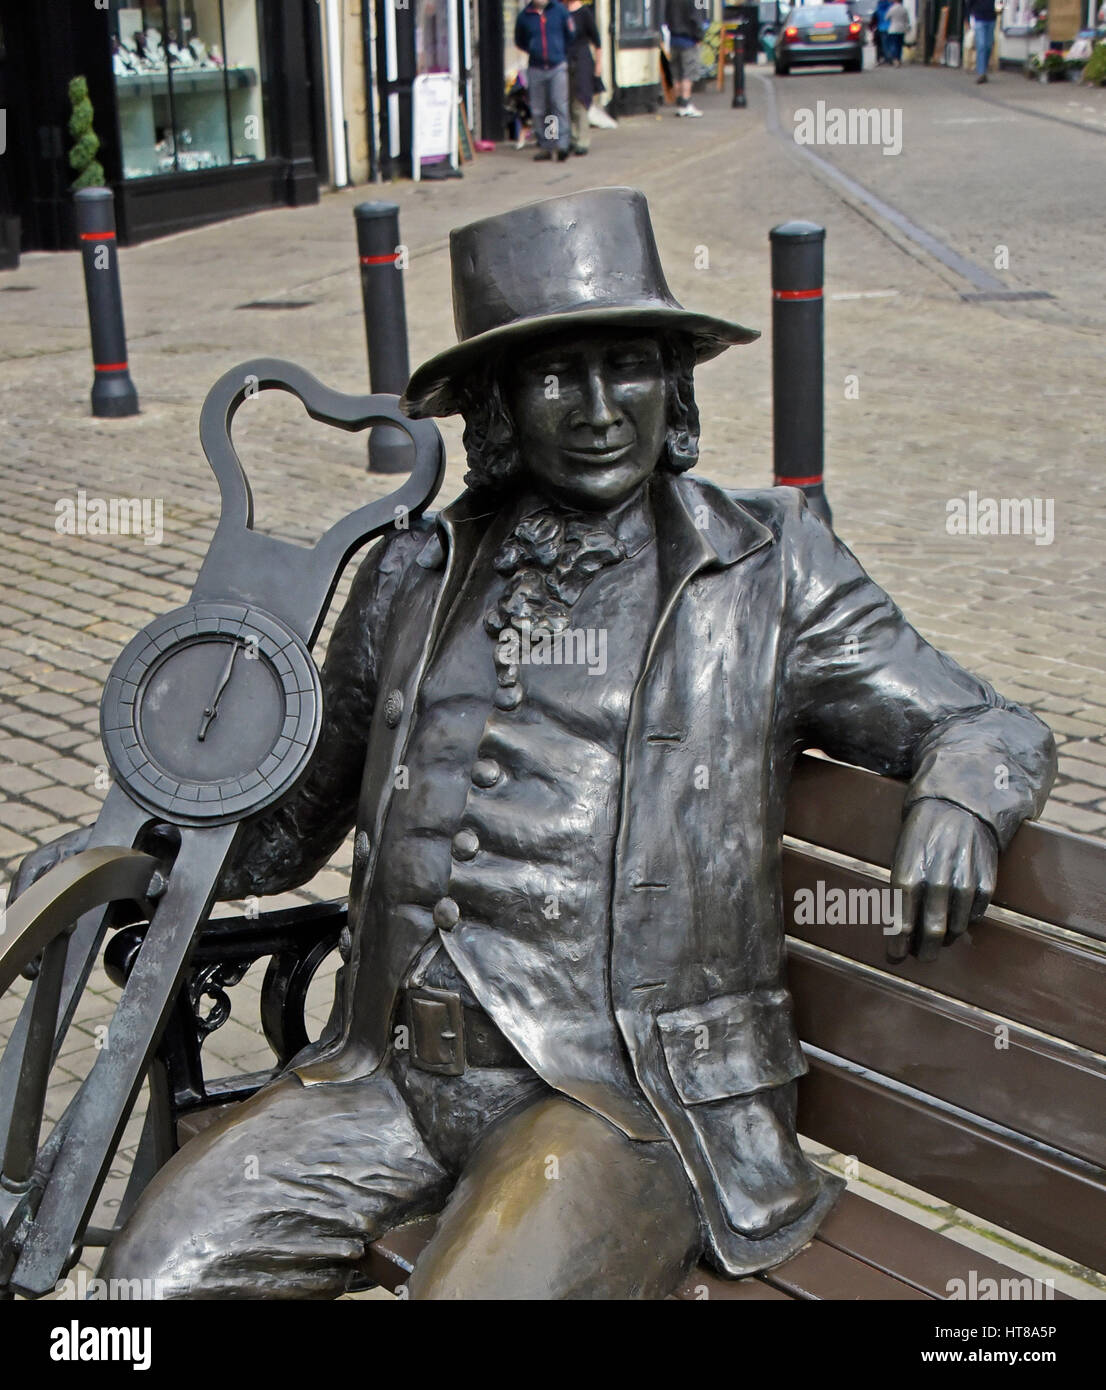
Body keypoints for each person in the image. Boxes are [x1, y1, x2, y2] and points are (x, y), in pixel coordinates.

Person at [19, 188, 1055, 1300]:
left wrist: (957, 793)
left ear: (674, 379)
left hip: (621, 1105)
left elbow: (980, 719)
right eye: (559, 375)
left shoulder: (765, 565)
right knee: (140, 1288)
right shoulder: (411, 574)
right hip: (388, 1082)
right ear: (499, 400)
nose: (603, 408)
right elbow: (290, 828)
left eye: (632, 366)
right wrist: (134, 850)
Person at [515, 0, 574, 160]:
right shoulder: (524, 17)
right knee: (540, 109)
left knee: (558, 104)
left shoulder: (559, 11)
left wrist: (558, 51)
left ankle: (562, 144)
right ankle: (547, 145)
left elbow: (570, 35)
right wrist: (535, 49)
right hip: (536, 67)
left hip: (557, 66)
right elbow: (520, 40)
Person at [566, 0, 602, 154]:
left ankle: (582, 140)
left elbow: (597, 41)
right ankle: (562, 140)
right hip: (562, 60)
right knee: (562, 102)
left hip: (581, 60)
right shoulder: (559, 12)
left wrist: (598, 65)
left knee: (580, 100)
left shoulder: (584, 13)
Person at [663, 0, 707, 117]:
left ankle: (680, 105)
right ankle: (686, 104)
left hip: (674, 39)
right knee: (688, 73)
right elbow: (697, 17)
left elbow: (666, 16)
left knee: (677, 73)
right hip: (689, 40)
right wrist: (699, 36)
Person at [966, 0, 997, 81]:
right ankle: (981, 73)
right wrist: (968, 16)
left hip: (992, 18)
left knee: (988, 46)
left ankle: (984, 69)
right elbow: (969, 3)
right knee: (981, 45)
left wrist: (1000, 9)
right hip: (979, 18)